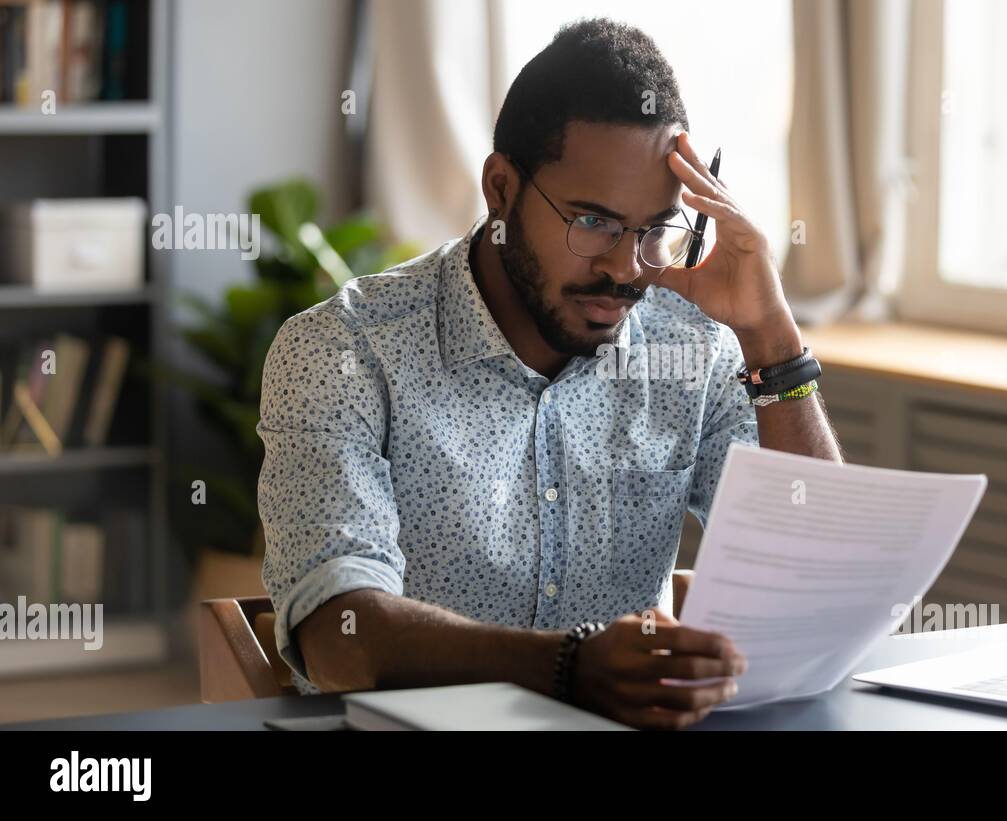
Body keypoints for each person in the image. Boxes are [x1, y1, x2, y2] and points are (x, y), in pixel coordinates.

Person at [257, 18, 842, 730]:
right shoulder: (343, 351)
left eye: (655, 228)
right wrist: (569, 666)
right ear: (501, 188)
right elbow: (335, 631)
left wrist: (771, 337)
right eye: (592, 222)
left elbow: (818, 579)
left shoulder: (696, 346)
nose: (626, 268)